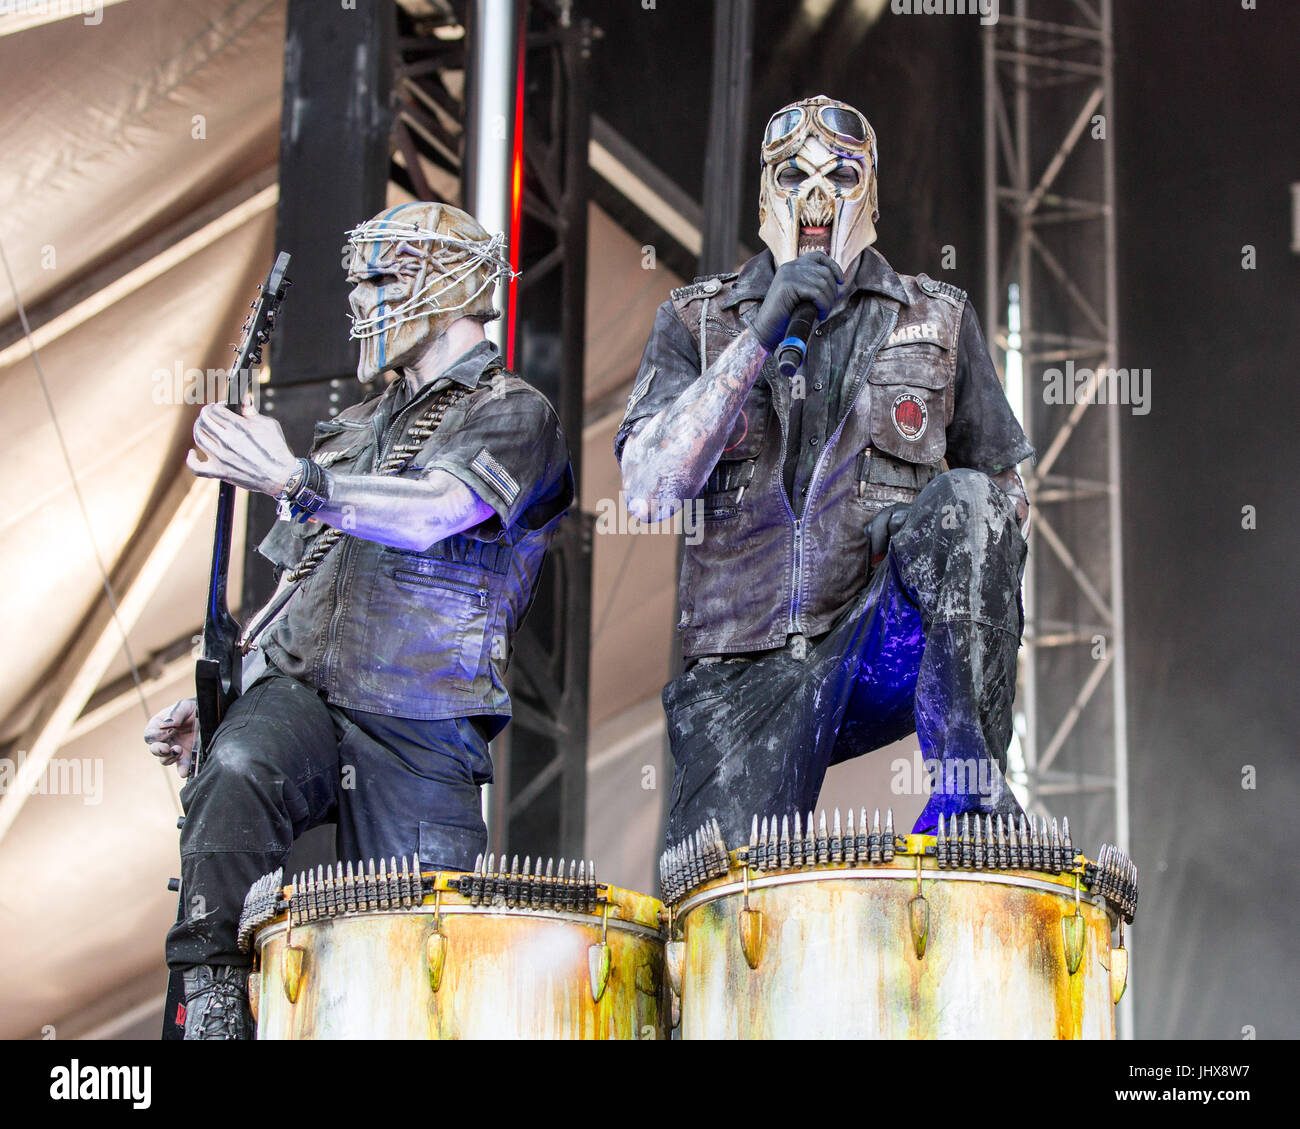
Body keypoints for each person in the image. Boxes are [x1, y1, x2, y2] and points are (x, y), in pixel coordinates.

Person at [143, 202, 573, 1039]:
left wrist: (298, 478)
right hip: (304, 688)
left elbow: (434, 510)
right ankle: (212, 1011)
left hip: (422, 721)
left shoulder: (517, 412)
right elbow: (298, 584)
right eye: (359, 281)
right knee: (234, 768)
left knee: (409, 971)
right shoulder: (354, 424)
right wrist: (224, 691)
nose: (362, 300)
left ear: (448, 286)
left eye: (382, 278)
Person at [616, 96, 1034, 851]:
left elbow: (1006, 496)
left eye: (840, 173)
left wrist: (931, 517)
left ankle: (969, 802)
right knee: (718, 910)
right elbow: (649, 488)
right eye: (794, 174)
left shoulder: (936, 318)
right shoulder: (696, 320)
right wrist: (760, 333)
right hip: (741, 670)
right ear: (766, 192)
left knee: (968, 503)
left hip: (878, 635)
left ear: (868, 191)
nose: (817, 196)